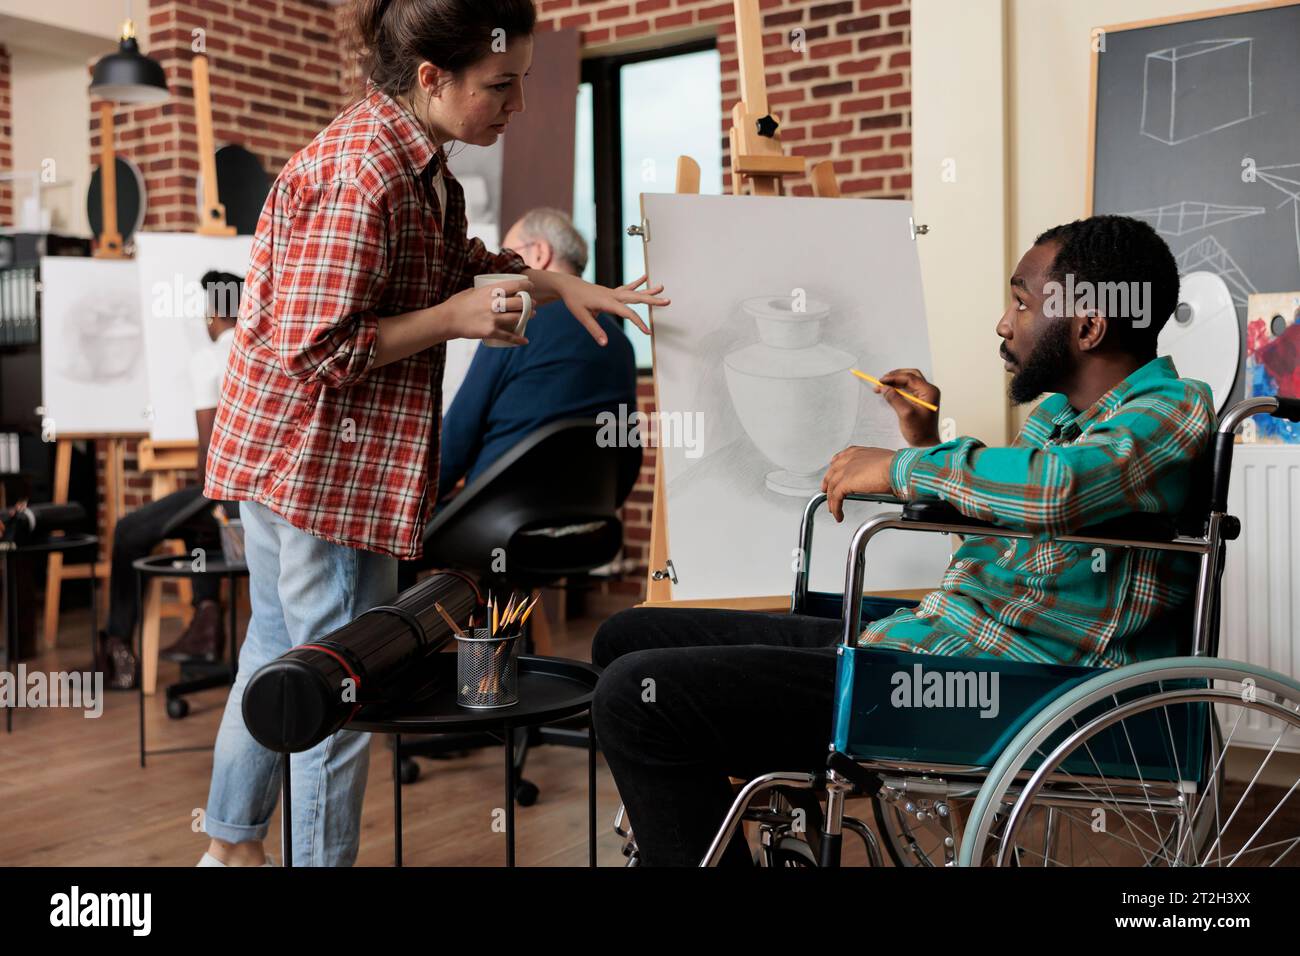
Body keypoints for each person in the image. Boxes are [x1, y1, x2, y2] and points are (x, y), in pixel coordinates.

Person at [590, 214, 1217, 866]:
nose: (1005, 323)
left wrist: (898, 467)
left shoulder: (1171, 410)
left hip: (1006, 689)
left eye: (1023, 303)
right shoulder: (1062, 416)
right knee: (625, 639)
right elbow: (1008, 520)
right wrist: (925, 443)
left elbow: (1054, 491)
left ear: (1089, 326)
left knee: (638, 699)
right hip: (939, 645)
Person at [197, 0, 668, 867]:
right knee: (339, 685)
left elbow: (456, 267)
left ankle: (228, 851)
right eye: (501, 85)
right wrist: (454, 317)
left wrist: (562, 287)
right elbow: (318, 349)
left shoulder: (418, 164)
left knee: (276, 654)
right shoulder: (366, 172)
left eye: (524, 82)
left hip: (289, 464)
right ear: (431, 77)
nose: (517, 104)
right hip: (321, 475)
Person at [95, 271, 242, 690]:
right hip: (260, 504)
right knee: (200, 521)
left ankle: (119, 651)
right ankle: (207, 622)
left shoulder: (208, 358)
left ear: (214, 312)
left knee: (129, 530)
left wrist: (207, 490)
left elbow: (208, 455)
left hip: (228, 495)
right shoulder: (260, 350)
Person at [439, 208, 638, 496]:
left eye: (508, 256)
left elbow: (455, 444)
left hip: (492, 521)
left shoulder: (515, 325)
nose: (498, 274)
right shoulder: (620, 344)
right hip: (590, 525)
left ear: (540, 253)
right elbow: (625, 460)